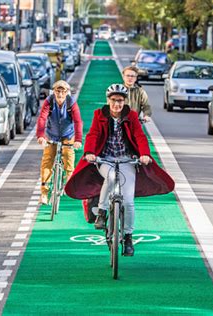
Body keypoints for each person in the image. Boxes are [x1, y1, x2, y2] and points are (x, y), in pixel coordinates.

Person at [64, 84, 174, 256]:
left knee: (129, 201)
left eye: (120, 101)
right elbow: (92, 134)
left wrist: (144, 155)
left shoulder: (131, 116)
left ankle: (128, 237)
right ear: (108, 101)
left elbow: (139, 136)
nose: (117, 104)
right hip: (105, 159)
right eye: (114, 100)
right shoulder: (99, 115)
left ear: (125, 101)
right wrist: (90, 153)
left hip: (127, 161)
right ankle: (101, 212)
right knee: (110, 177)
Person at [36, 80, 83, 204]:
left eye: (63, 91)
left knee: (68, 157)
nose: (60, 94)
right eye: (58, 91)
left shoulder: (71, 103)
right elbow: (42, 118)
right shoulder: (49, 101)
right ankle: (44, 193)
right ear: (54, 91)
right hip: (52, 135)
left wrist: (78, 140)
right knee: (47, 161)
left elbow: (78, 121)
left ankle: (68, 181)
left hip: (68, 135)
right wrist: (41, 135)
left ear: (67, 92)